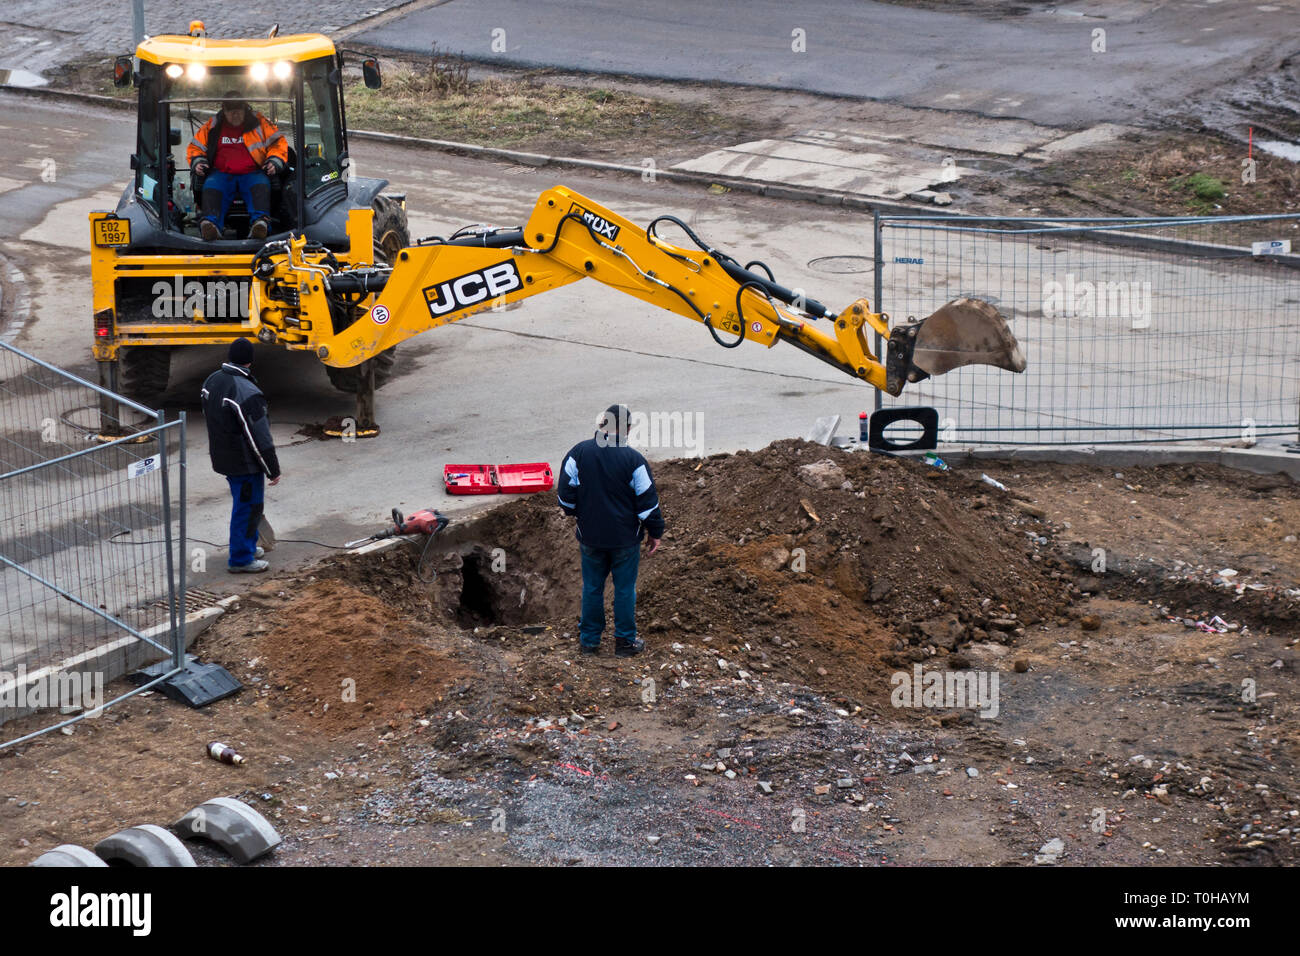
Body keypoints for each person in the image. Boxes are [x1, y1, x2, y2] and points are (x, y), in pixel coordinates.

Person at [556, 404, 664, 657]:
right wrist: (655, 532)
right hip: (625, 540)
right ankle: (624, 644)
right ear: (627, 429)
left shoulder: (578, 453)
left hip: (590, 537)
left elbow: (564, 497)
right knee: (625, 590)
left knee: (592, 588)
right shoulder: (634, 460)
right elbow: (648, 505)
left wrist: (578, 513)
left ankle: (589, 643)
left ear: (602, 423)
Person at [200, 338, 282, 573]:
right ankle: (241, 558)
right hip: (244, 463)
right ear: (250, 361)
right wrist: (272, 469)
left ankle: (248, 544)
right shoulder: (247, 391)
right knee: (248, 507)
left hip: (222, 456)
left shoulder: (212, 380)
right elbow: (259, 436)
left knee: (245, 504)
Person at [186, 92, 288, 241]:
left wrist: (274, 161)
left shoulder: (259, 122)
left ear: (245, 109)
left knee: (261, 185)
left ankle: (260, 224)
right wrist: (198, 162)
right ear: (223, 110)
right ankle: (211, 226)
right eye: (230, 111)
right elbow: (196, 147)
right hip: (221, 173)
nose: (235, 114)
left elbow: (278, 143)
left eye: (238, 110)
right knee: (211, 185)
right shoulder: (213, 125)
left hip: (253, 172)